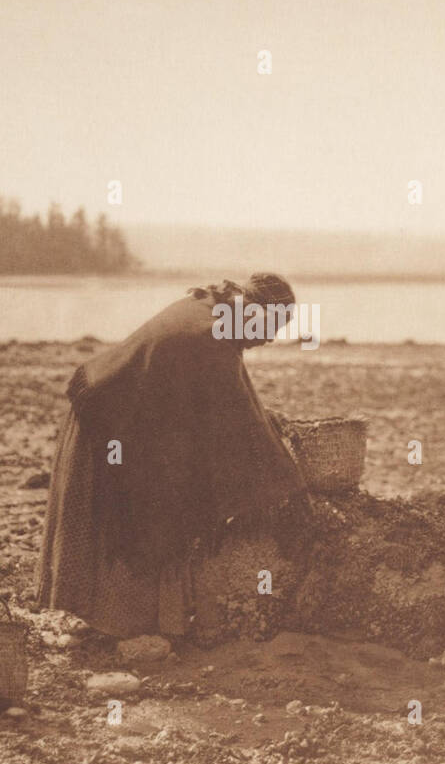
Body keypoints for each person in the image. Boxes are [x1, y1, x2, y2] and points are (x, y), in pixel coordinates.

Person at [34, 273, 304, 638]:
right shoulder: (212, 337)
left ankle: (116, 621)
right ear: (253, 311)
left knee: (150, 500)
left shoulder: (211, 309)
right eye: (271, 326)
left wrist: (264, 423)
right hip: (106, 420)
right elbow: (238, 421)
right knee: (132, 513)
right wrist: (290, 484)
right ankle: (120, 625)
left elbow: (224, 403)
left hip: (116, 404)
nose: (270, 338)